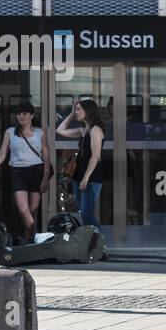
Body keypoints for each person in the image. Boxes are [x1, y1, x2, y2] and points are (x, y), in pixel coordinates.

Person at [0, 102, 50, 243]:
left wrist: (45, 177)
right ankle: (37, 237)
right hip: (18, 171)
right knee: (23, 208)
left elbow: (46, 157)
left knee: (33, 209)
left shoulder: (40, 132)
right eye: (19, 114)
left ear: (32, 115)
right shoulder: (10, 132)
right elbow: (1, 155)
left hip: (37, 170)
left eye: (24, 113)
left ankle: (29, 239)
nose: (21, 116)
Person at [56, 98, 109, 233]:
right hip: (78, 176)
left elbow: (95, 156)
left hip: (90, 178)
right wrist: (72, 114)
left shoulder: (95, 130)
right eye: (76, 109)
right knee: (83, 213)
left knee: (87, 214)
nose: (77, 112)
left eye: (79, 109)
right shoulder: (83, 130)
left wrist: (86, 178)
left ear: (88, 111)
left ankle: (98, 244)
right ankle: (90, 244)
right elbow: (60, 130)